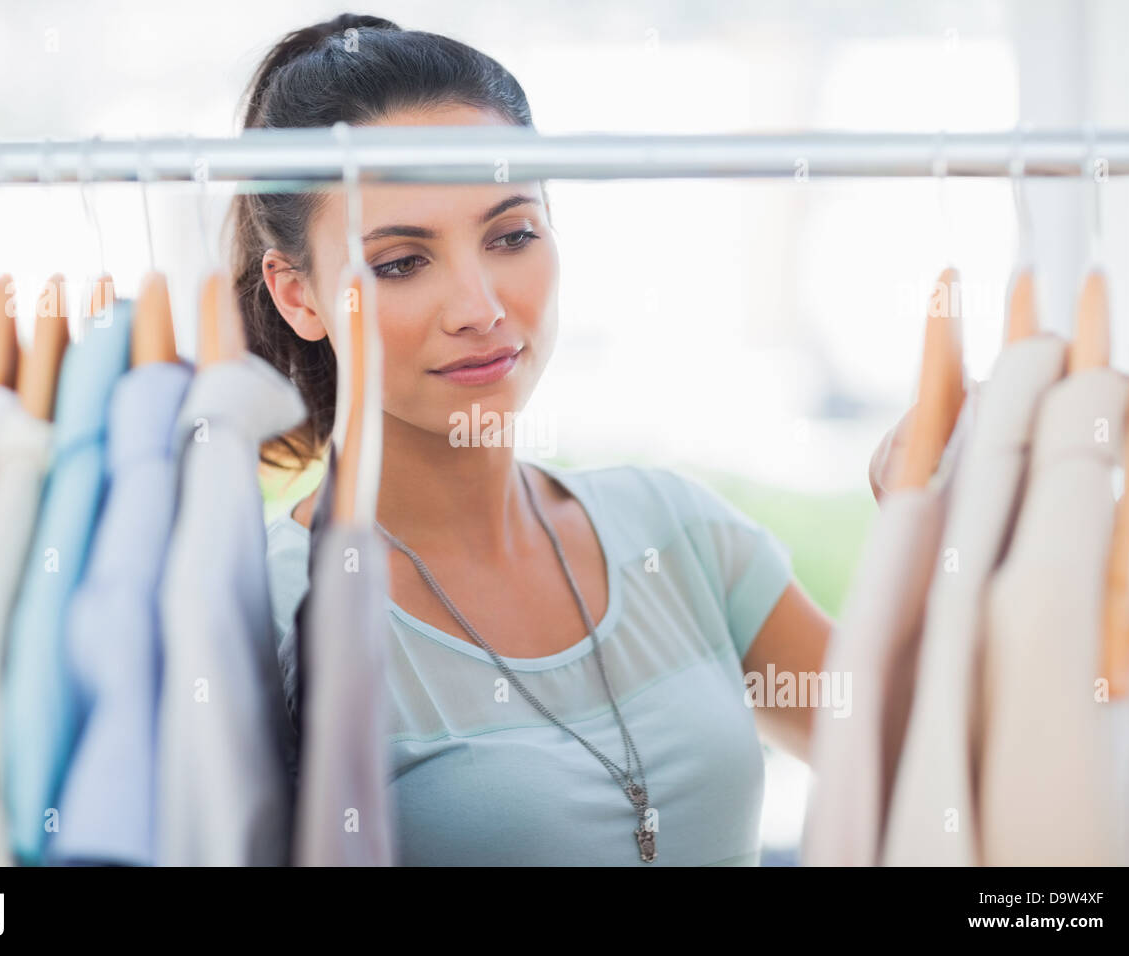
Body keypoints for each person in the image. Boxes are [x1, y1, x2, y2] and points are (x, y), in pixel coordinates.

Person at [231, 13, 842, 866]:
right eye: (402, 261)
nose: (480, 307)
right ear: (298, 295)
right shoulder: (269, 619)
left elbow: (939, 759)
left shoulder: (680, 535)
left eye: (511, 235)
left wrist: (945, 519)